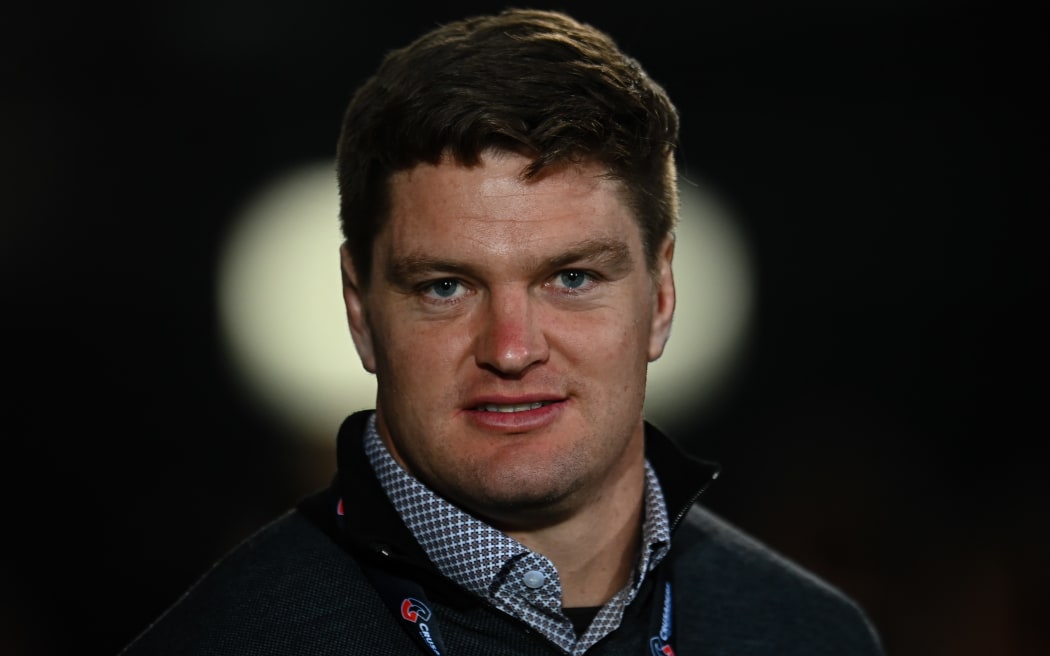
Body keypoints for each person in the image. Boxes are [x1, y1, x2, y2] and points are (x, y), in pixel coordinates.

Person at [121, 8, 884, 655]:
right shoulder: (227, 641)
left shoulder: (809, 635)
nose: (512, 350)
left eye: (572, 278)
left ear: (661, 296)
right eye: (445, 287)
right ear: (359, 310)